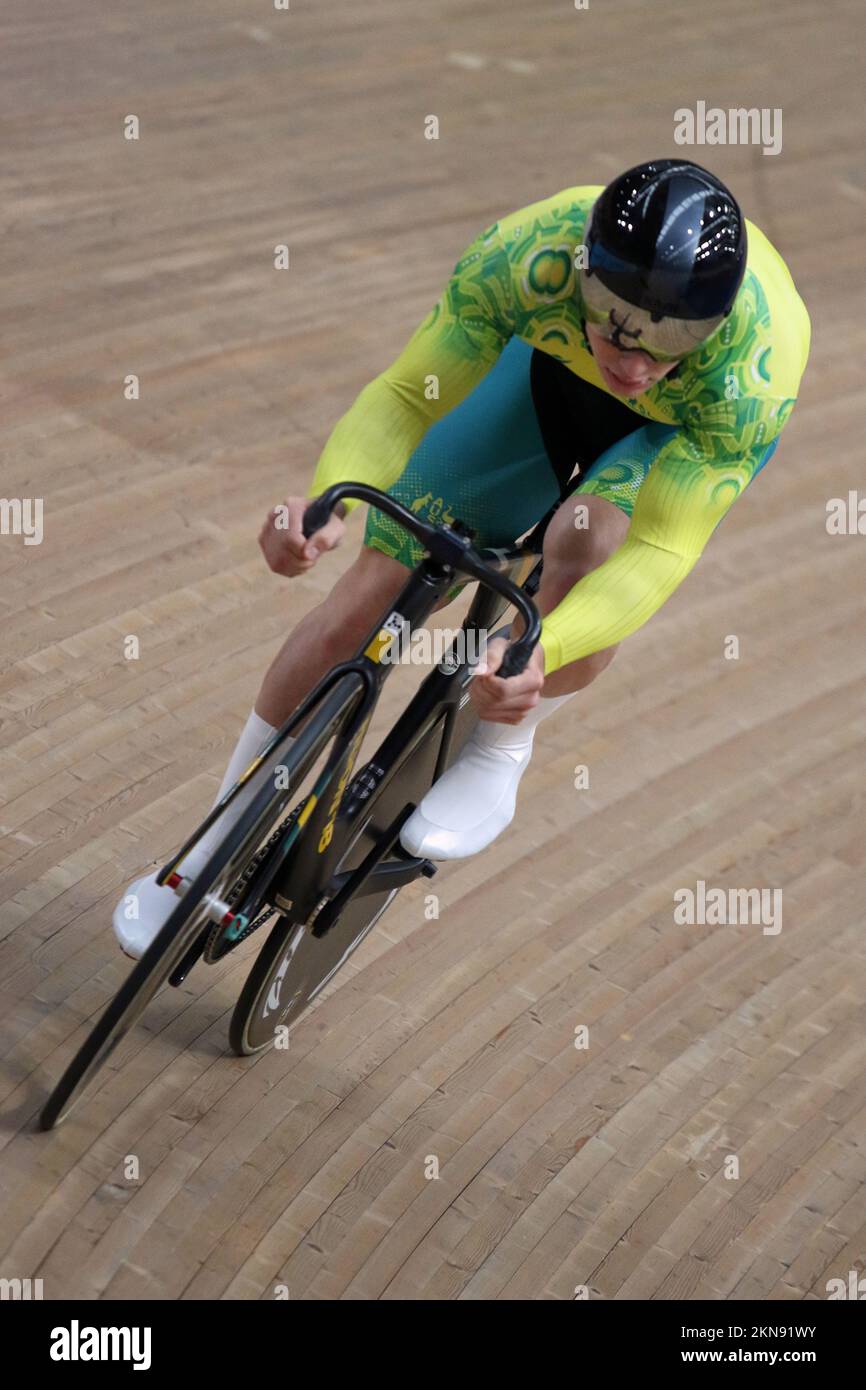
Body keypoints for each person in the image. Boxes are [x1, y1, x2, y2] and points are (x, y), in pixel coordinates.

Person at [113, 158, 810, 957]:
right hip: (545, 375)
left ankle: (502, 745)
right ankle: (208, 849)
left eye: (674, 343)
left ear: (713, 333)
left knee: (585, 542)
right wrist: (326, 502)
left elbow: (660, 549)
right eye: (618, 323)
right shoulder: (531, 256)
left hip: (660, 439)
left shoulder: (750, 377)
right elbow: (411, 394)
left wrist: (544, 649)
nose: (639, 364)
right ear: (584, 275)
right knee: (366, 595)